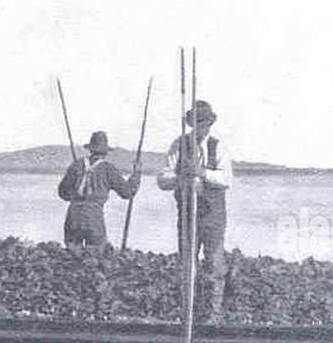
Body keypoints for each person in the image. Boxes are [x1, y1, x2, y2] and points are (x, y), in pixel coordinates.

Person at [157, 99, 232, 323]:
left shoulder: (218, 146)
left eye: (206, 123)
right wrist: (181, 177)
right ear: (191, 124)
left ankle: (212, 315)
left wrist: (202, 172)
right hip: (187, 212)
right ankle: (188, 313)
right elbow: (163, 179)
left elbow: (226, 179)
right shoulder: (179, 145)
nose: (202, 127)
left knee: (214, 264)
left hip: (212, 215)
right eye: (197, 122)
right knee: (187, 263)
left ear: (210, 124)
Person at [58, 131, 141, 248]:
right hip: (94, 216)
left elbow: (63, 193)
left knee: (72, 254)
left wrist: (76, 195)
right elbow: (127, 192)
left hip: (73, 216)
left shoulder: (76, 165)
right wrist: (136, 173)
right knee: (95, 256)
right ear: (106, 152)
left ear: (90, 149)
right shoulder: (108, 169)